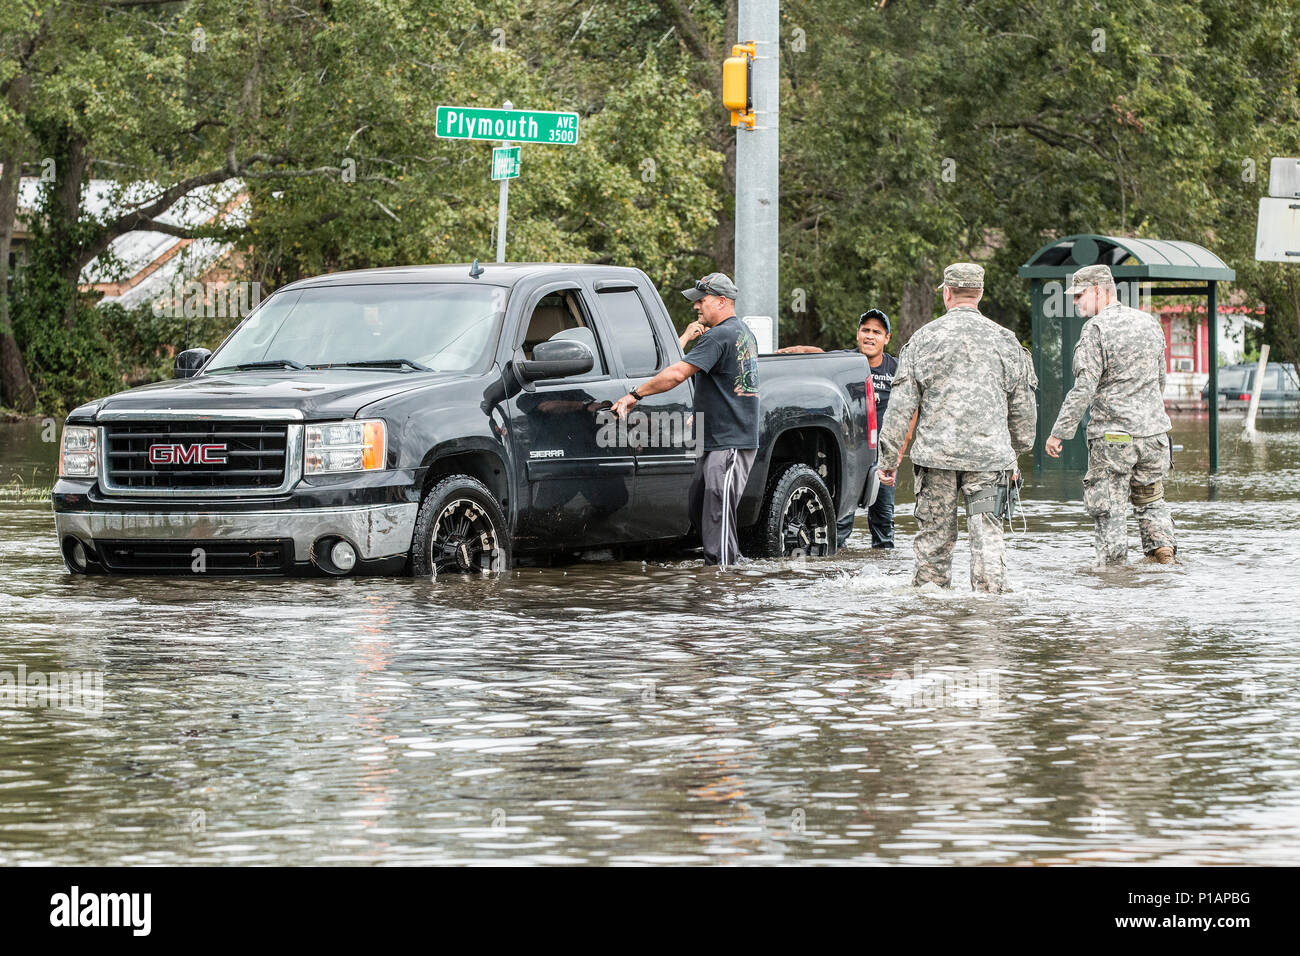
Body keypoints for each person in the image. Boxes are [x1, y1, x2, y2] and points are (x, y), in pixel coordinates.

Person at [877, 263, 1037, 593]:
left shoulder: (923, 340)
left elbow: (901, 408)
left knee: (933, 542)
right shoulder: (1006, 341)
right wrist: (1016, 451)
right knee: (986, 535)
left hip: (936, 462)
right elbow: (1024, 414)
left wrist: (888, 459)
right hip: (989, 461)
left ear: (947, 294)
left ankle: (932, 625)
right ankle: (989, 615)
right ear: (979, 294)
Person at [611, 273, 759, 567]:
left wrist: (634, 395)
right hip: (716, 438)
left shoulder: (720, 335)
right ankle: (715, 583)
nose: (696, 307)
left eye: (701, 301)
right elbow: (725, 382)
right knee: (701, 508)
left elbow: (677, 374)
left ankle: (726, 588)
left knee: (718, 518)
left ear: (721, 301)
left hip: (729, 442)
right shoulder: (739, 332)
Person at [1046, 264, 1176, 565]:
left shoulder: (1096, 329)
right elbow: (1160, 381)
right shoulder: (1149, 323)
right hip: (1155, 436)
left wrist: (1058, 432)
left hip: (1114, 437)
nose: (1076, 302)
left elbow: (1084, 388)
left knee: (1109, 509)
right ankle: (1164, 555)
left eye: (1079, 295)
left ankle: (1113, 575)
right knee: (1152, 501)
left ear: (1099, 291)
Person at [779, 309, 899, 548]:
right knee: (841, 520)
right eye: (865, 330)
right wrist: (797, 351)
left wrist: (897, 455)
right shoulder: (847, 363)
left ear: (886, 338)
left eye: (876, 332)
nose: (870, 336)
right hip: (851, 455)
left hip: (884, 455)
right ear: (857, 334)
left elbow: (911, 412)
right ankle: (835, 569)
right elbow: (821, 355)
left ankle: (885, 569)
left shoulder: (895, 368)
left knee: (884, 520)